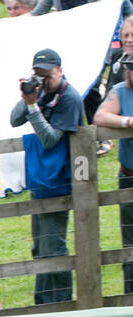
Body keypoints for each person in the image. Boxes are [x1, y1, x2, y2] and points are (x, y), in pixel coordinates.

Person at [12, 48, 85, 305]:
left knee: (54, 248)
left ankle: (61, 304)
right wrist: (27, 96)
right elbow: (13, 120)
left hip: (61, 181)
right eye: (38, 76)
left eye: (48, 76)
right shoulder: (38, 93)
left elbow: (50, 140)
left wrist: (33, 107)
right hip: (42, 179)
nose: (44, 82)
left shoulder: (70, 98)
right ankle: (43, 303)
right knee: (39, 248)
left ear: (61, 71)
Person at [94, 16, 133, 294]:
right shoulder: (120, 91)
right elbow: (99, 116)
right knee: (130, 245)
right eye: (128, 65)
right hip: (128, 176)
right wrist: (127, 122)